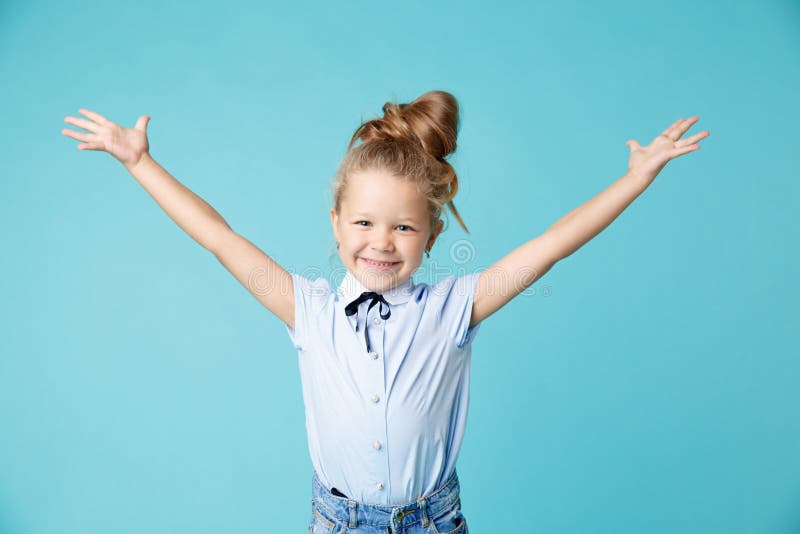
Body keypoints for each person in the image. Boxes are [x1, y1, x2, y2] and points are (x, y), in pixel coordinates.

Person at [61, 90, 709, 533]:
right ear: (337, 223)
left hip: (433, 520)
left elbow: (549, 249)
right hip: (338, 522)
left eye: (403, 227)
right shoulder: (307, 309)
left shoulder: (456, 307)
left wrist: (635, 179)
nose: (381, 241)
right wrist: (142, 165)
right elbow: (218, 237)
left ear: (430, 235)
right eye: (365, 222)